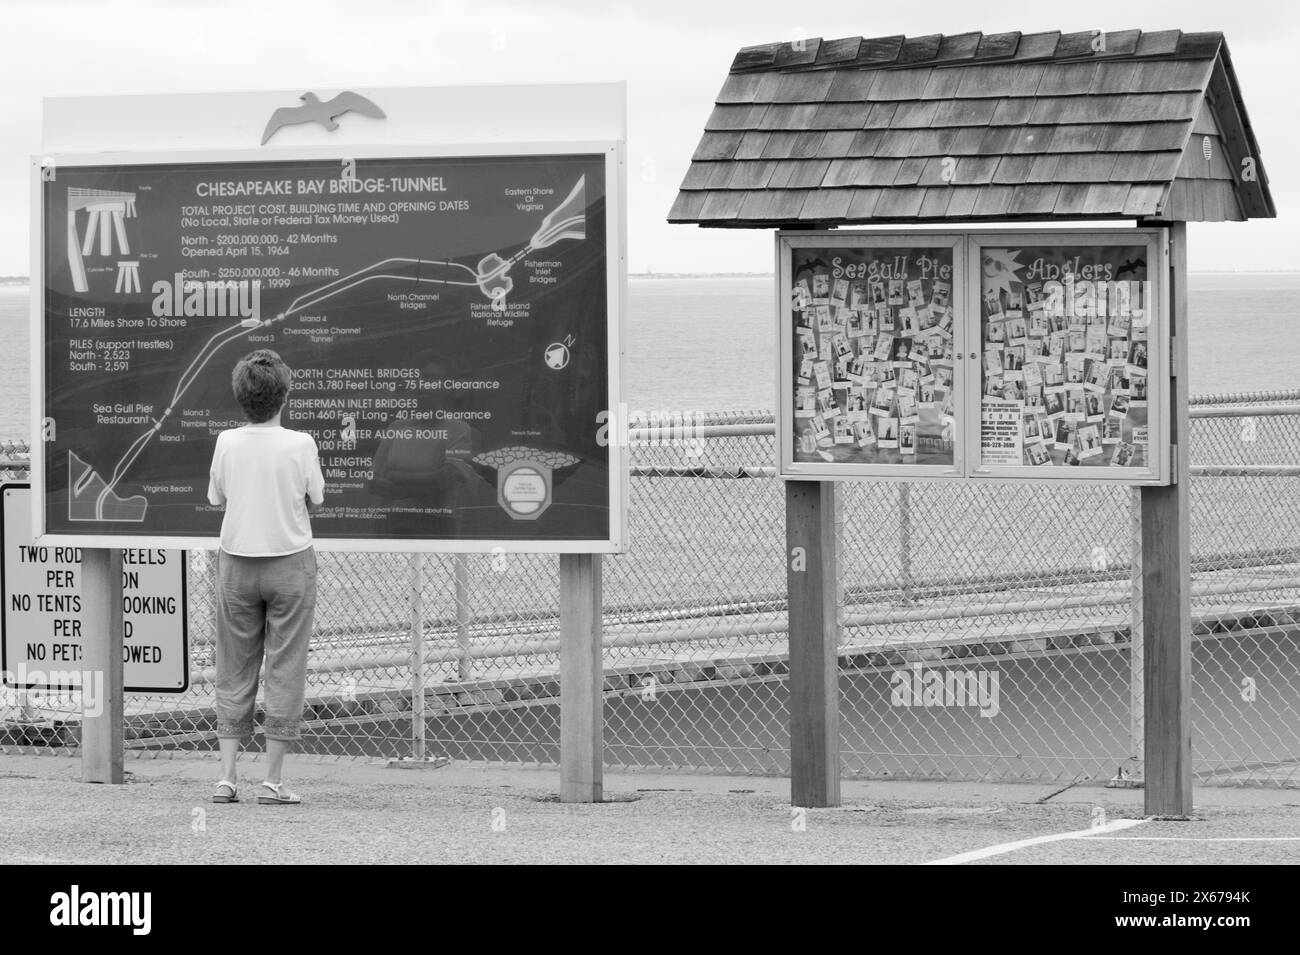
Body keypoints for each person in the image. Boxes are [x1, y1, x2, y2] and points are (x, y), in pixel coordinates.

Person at [207, 349, 325, 806]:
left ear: (241, 396)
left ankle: (226, 777)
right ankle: (273, 782)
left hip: (236, 563)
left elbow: (216, 497)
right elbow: (317, 496)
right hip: (290, 562)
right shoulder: (301, 444)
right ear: (284, 396)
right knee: (285, 666)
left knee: (233, 667)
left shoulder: (226, 442)